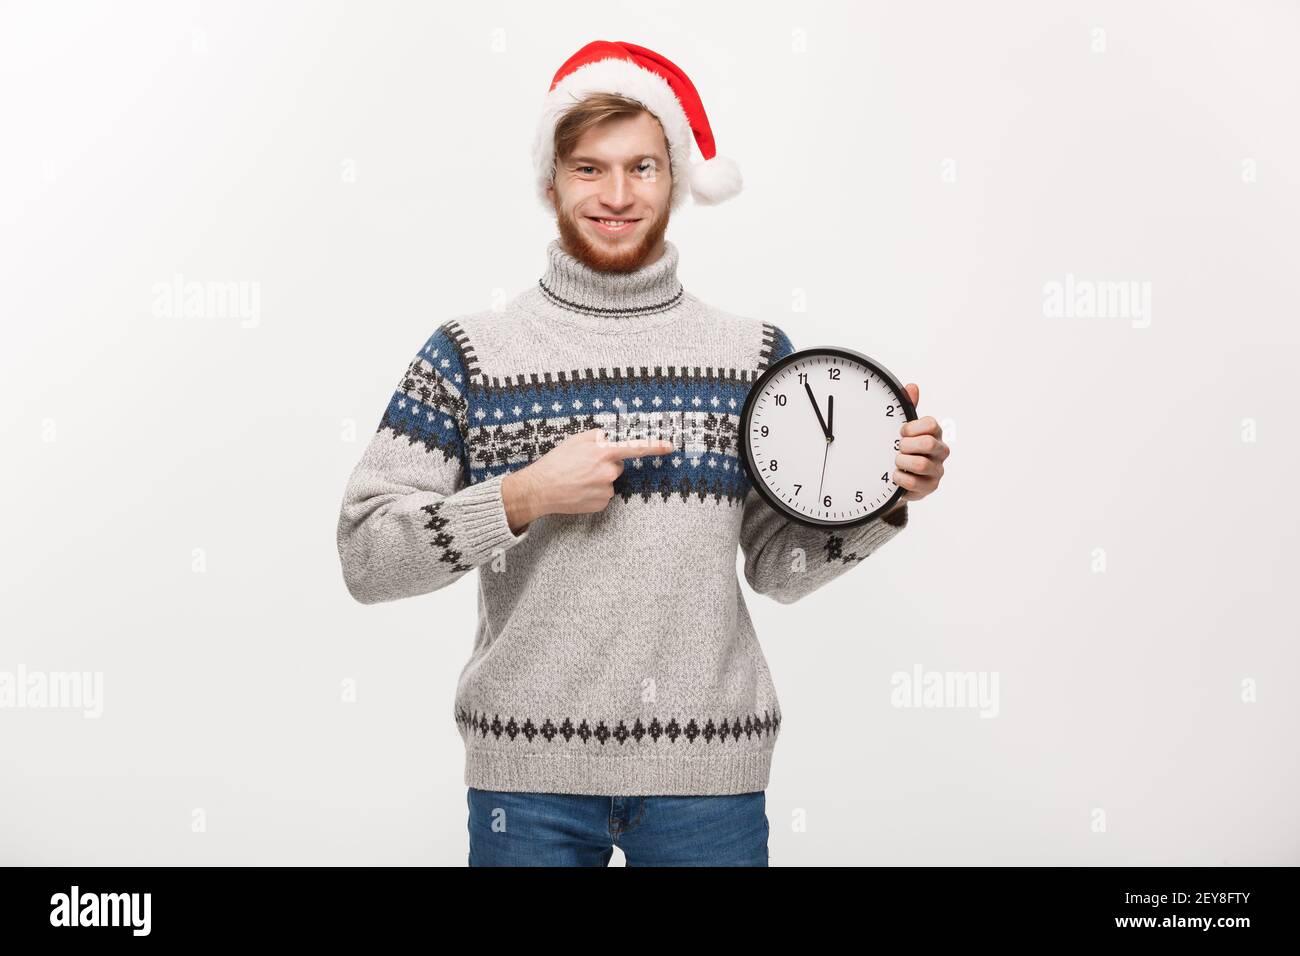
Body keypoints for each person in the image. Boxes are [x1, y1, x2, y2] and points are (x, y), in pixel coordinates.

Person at [335, 39, 949, 867]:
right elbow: (368, 557)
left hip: (710, 778)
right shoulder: (468, 354)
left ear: (678, 179)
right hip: (528, 777)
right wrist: (522, 496)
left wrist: (886, 495)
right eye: (589, 169)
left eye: (642, 168)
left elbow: (779, 569)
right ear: (549, 179)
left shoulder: (752, 354)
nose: (617, 195)